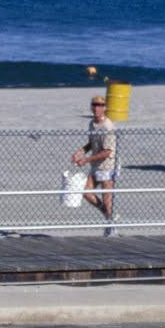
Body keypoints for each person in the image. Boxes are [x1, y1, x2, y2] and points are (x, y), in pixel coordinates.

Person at [73, 93, 119, 232]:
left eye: (100, 105)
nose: (97, 108)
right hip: (95, 165)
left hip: (107, 166)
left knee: (107, 199)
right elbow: (92, 143)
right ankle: (108, 215)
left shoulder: (107, 126)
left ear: (104, 108)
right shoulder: (92, 123)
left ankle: (111, 227)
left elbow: (107, 152)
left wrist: (86, 159)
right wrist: (81, 151)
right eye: (94, 105)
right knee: (86, 192)